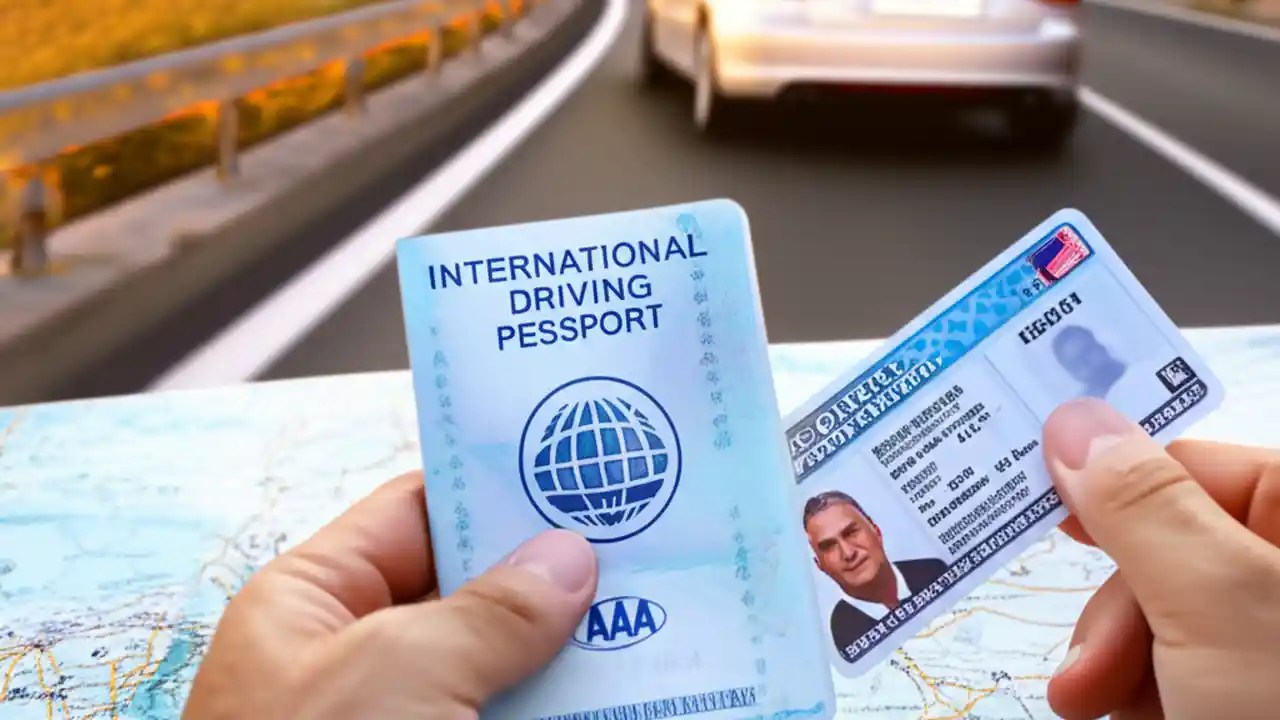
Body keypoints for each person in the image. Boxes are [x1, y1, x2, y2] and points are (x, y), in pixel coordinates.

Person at [183, 398, 1280, 720]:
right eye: (825, 544)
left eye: (849, 533)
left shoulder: (924, 579)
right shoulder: (837, 630)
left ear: (876, 532)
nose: (844, 553)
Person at [801, 490, 945, 657]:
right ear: (820, 565)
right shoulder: (841, 637)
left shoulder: (934, 571)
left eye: (851, 533)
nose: (848, 553)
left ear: (876, 531)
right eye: (829, 546)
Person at [1052, 325, 1126, 399]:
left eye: (1086, 353)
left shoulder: (1135, 373)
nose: (1085, 364)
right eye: (1075, 364)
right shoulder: (1082, 408)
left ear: (1100, 347)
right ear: (1072, 374)